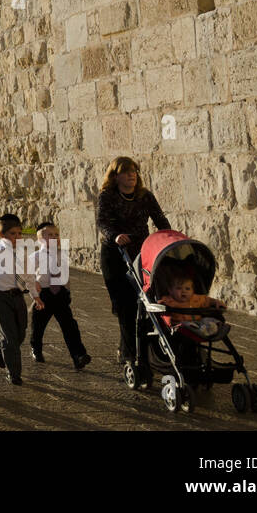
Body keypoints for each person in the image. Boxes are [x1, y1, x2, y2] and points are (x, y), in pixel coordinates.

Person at [96, 156, 170, 367]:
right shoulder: (107, 196)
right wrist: (115, 235)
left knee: (145, 301)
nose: (132, 175)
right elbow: (102, 221)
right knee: (124, 305)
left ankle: (144, 348)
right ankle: (129, 352)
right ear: (116, 176)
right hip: (115, 254)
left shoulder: (144, 196)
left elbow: (160, 219)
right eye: (127, 172)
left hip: (141, 253)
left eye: (134, 171)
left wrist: (169, 236)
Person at [0, 213, 43, 386]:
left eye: (20, 234)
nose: (17, 237)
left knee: (20, 334)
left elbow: (29, 277)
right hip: (1, 297)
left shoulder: (23, 253)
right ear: (2, 235)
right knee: (11, 338)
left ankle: (0, 346)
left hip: (18, 297)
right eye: (13, 234)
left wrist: (36, 296)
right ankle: (14, 374)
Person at [28, 221, 91, 370]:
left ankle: (78, 356)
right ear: (40, 239)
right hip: (43, 294)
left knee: (70, 326)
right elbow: (27, 275)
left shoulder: (61, 254)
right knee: (38, 326)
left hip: (60, 295)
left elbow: (65, 275)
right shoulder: (36, 256)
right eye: (50, 235)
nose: (55, 237)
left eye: (56, 235)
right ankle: (36, 347)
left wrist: (67, 291)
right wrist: (34, 289)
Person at [161, 271, 228, 340]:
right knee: (185, 325)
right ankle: (204, 329)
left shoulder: (196, 298)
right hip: (181, 325)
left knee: (210, 320)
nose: (184, 291)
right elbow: (160, 304)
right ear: (170, 290)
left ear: (192, 290)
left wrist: (216, 302)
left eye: (187, 289)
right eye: (179, 288)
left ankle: (211, 327)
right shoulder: (169, 300)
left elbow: (208, 300)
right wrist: (161, 304)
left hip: (199, 322)